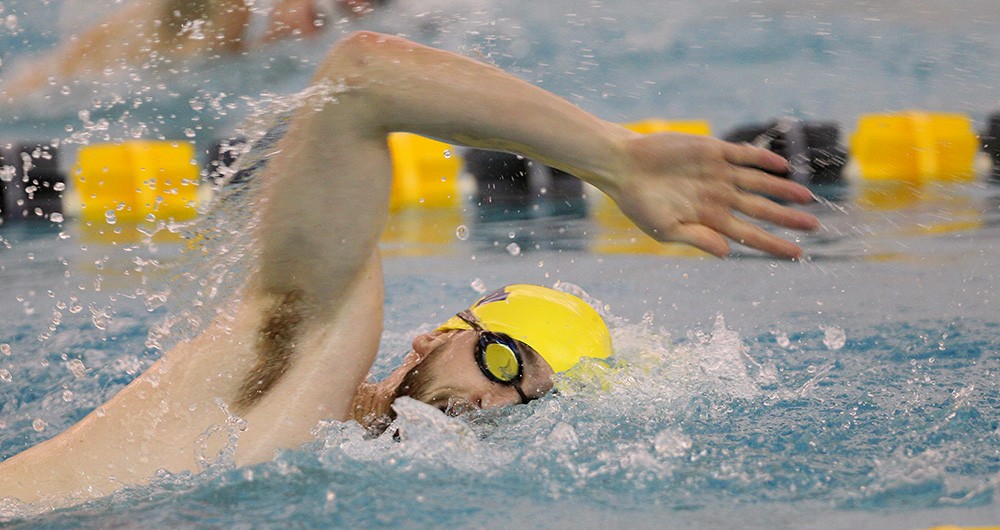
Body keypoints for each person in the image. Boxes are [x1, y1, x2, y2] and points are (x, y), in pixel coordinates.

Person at [0, 31, 818, 510]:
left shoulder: (353, 471)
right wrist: (614, 160)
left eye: (533, 402)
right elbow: (360, 80)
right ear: (433, 338)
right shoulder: (310, 345)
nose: (499, 403)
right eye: (504, 360)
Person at [0, 0, 386, 104]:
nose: (308, 33)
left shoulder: (268, 40)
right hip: (50, 89)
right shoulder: (223, 12)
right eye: (316, 15)